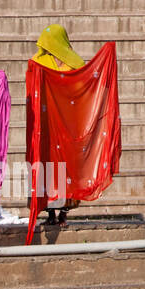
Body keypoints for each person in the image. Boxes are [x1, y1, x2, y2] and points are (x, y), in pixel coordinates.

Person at [30, 24, 87, 226]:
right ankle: (50, 214)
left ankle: (63, 213)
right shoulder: (38, 61)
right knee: (48, 167)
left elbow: (83, 87)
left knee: (67, 168)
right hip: (47, 123)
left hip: (68, 123)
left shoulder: (75, 62)